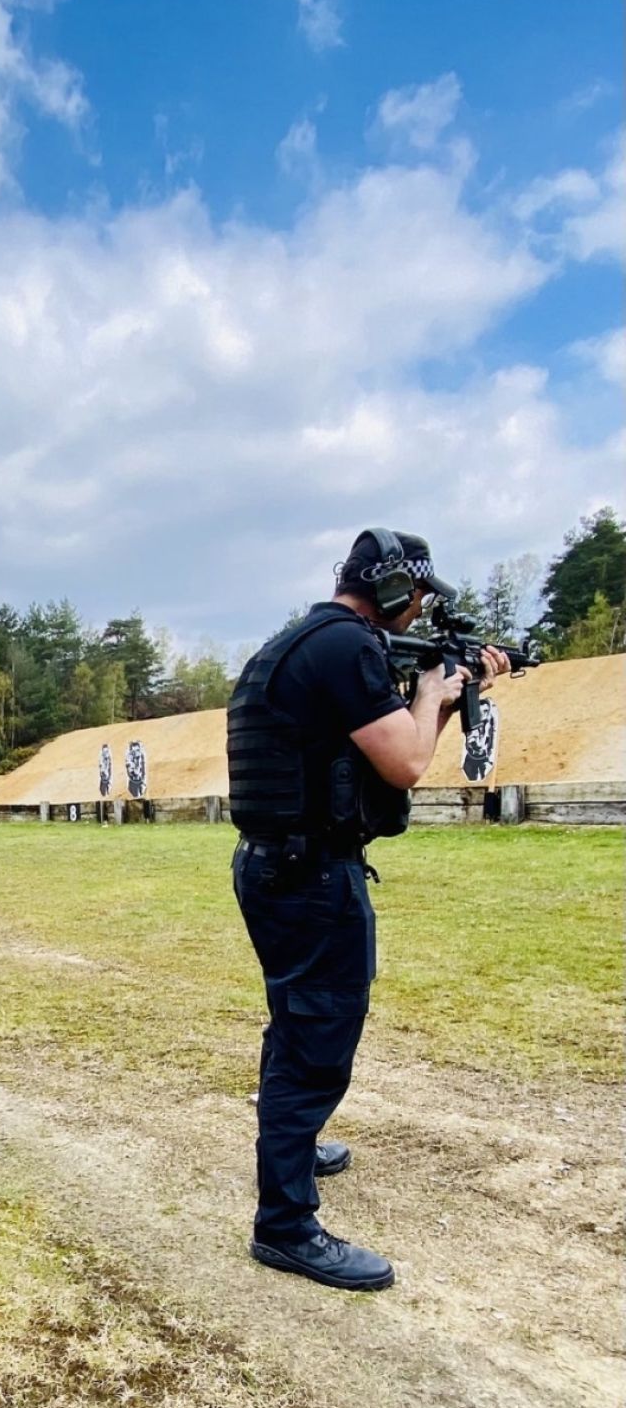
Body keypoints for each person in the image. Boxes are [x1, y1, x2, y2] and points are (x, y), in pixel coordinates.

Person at [226, 528, 509, 1293]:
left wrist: (439, 697)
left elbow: (391, 752)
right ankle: (285, 1225)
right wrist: (433, 690)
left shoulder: (306, 640)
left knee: (298, 1017)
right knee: (318, 1032)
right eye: (414, 596)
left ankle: (296, 1143)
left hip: (274, 865)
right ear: (391, 591)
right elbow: (409, 761)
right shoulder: (347, 648)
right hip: (310, 874)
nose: (417, 608)